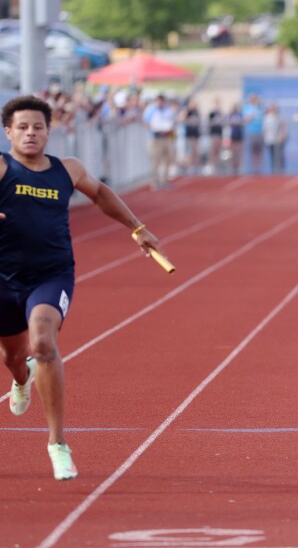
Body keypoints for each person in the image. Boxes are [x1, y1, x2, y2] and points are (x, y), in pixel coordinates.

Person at [0, 95, 166, 480]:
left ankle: (57, 444)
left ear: (48, 131)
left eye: (37, 127)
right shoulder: (3, 167)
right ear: (8, 132)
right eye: (22, 127)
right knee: (13, 354)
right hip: (3, 279)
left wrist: (138, 229)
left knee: (43, 342)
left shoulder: (67, 170)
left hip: (51, 274)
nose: (30, 133)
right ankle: (21, 378)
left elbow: (102, 194)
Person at [142, 93, 178, 190]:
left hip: (166, 138)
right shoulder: (151, 110)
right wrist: (155, 128)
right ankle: (154, 182)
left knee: (167, 159)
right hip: (155, 138)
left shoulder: (168, 110)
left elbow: (173, 122)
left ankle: (164, 180)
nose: (160, 103)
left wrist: (170, 131)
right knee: (155, 160)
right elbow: (145, 123)